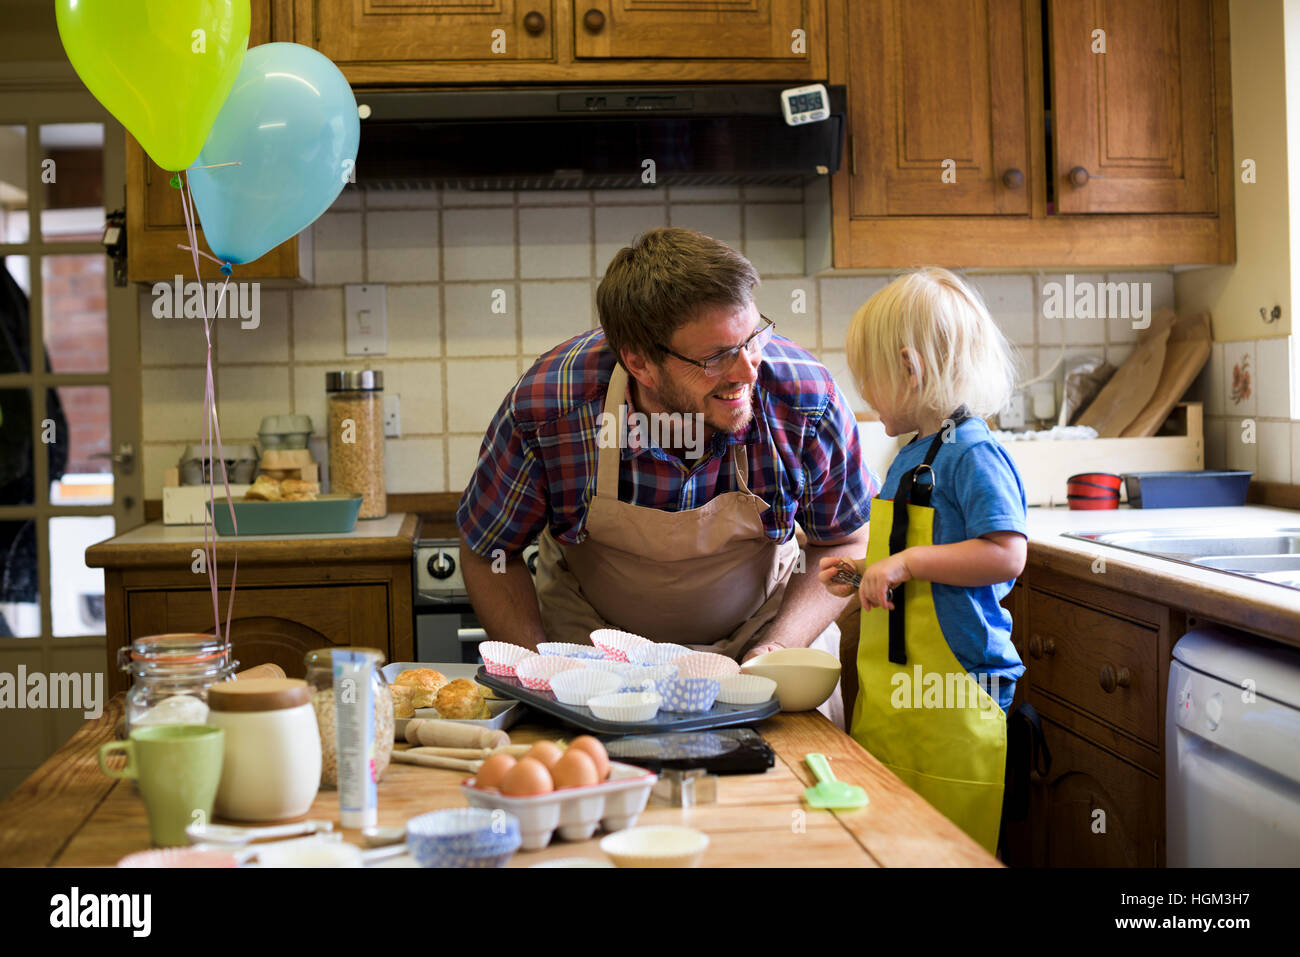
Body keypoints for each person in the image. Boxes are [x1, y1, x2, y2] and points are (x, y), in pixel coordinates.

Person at [457, 228, 876, 726]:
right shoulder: (552, 409)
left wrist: (779, 646)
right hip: (590, 650)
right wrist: (540, 672)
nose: (746, 371)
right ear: (640, 363)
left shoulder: (805, 401)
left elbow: (843, 543)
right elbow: (490, 553)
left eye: (753, 338)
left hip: (761, 636)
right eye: (716, 356)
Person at [819, 267, 1027, 852]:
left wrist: (905, 565)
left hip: (957, 690)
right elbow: (906, 554)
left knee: (947, 849)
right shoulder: (911, 453)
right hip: (897, 692)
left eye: (870, 379)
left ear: (910, 369)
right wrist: (864, 573)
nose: (865, 394)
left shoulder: (976, 454)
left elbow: (1005, 554)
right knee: (890, 842)